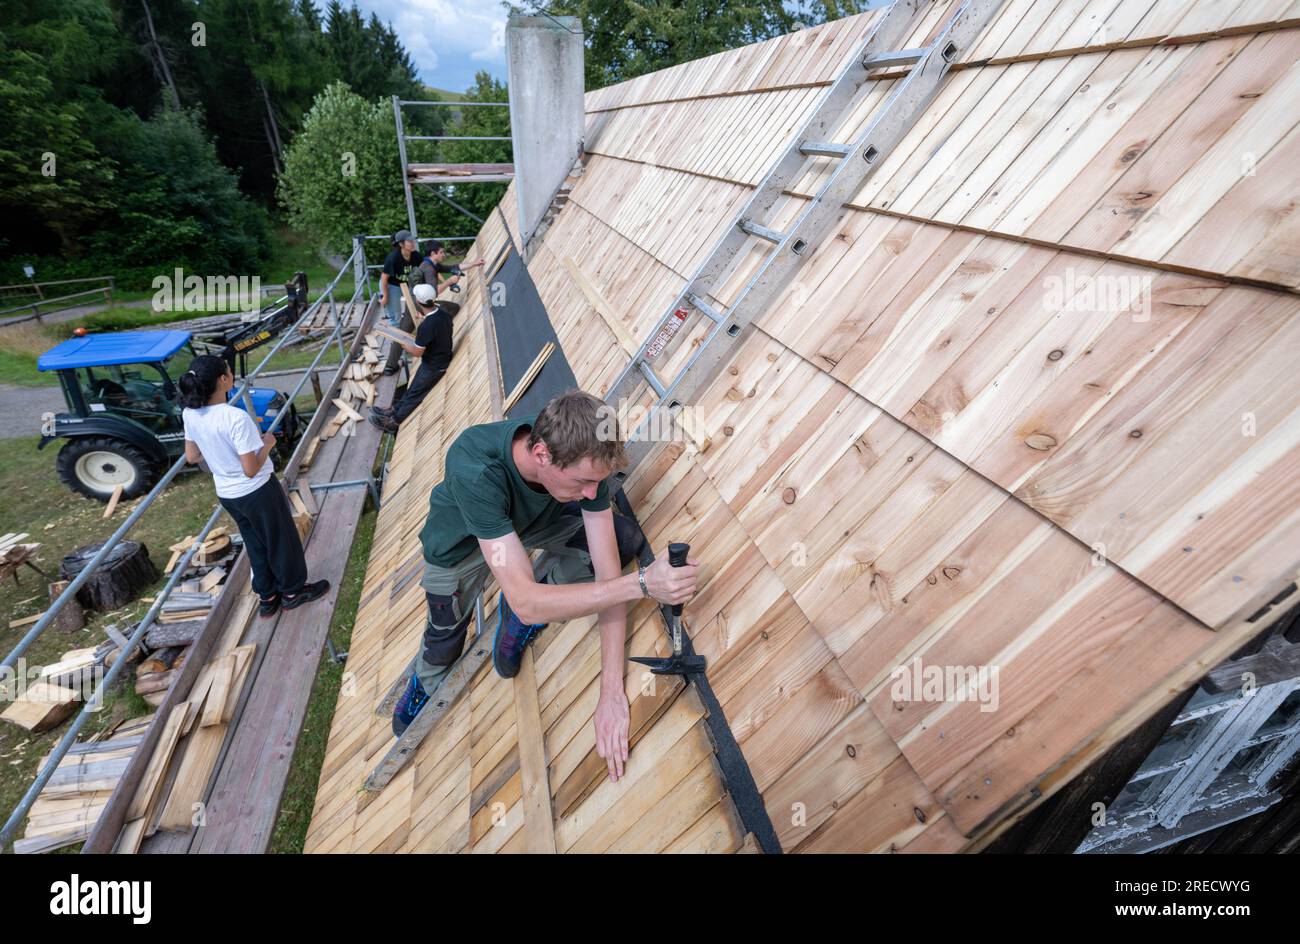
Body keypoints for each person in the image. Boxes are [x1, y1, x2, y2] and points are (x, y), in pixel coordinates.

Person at [391, 390, 699, 784]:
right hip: (459, 548)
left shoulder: (583, 448)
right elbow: (542, 599)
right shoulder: (474, 466)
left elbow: (608, 578)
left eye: (597, 483)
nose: (593, 494)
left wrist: (611, 691)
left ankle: (530, 605)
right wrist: (643, 583)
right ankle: (425, 681)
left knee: (623, 542)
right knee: (445, 638)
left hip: (528, 526)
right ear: (541, 455)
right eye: (583, 482)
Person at [179, 354, 330, 619]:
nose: (231, 375)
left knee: (255, 542)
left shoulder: (190, 413)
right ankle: (293, 592)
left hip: (228, 494)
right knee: (281, 540)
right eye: (229, 372)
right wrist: (267, 444)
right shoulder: (235, 418)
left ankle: (267, 596)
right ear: (223, 380)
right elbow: (250, 470)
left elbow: (192, 456)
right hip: (257, 491)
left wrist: (218, 452)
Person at [368, 283, 455, 433]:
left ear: (418, 302)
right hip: (439, 359)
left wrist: (403, 343)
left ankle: (393, 423)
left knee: (415, 395)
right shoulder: (442, 313)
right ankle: (393, 410)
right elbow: (438, 330)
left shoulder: (426, 327)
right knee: (411, 390)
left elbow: (416, 352)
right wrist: (423, 322)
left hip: (433, 366)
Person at [378, 230, 424, 375]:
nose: (413, 243)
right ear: (401, 244)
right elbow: (384, 278)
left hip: (407, 285)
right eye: (410, 241)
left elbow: (425, 268)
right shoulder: (393, 258)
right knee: (396, 317)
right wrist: (385, 296)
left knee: (413, 308)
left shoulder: (416, 255)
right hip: (391, 286)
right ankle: (396, 345)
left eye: (413, 240)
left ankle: (402, 341)